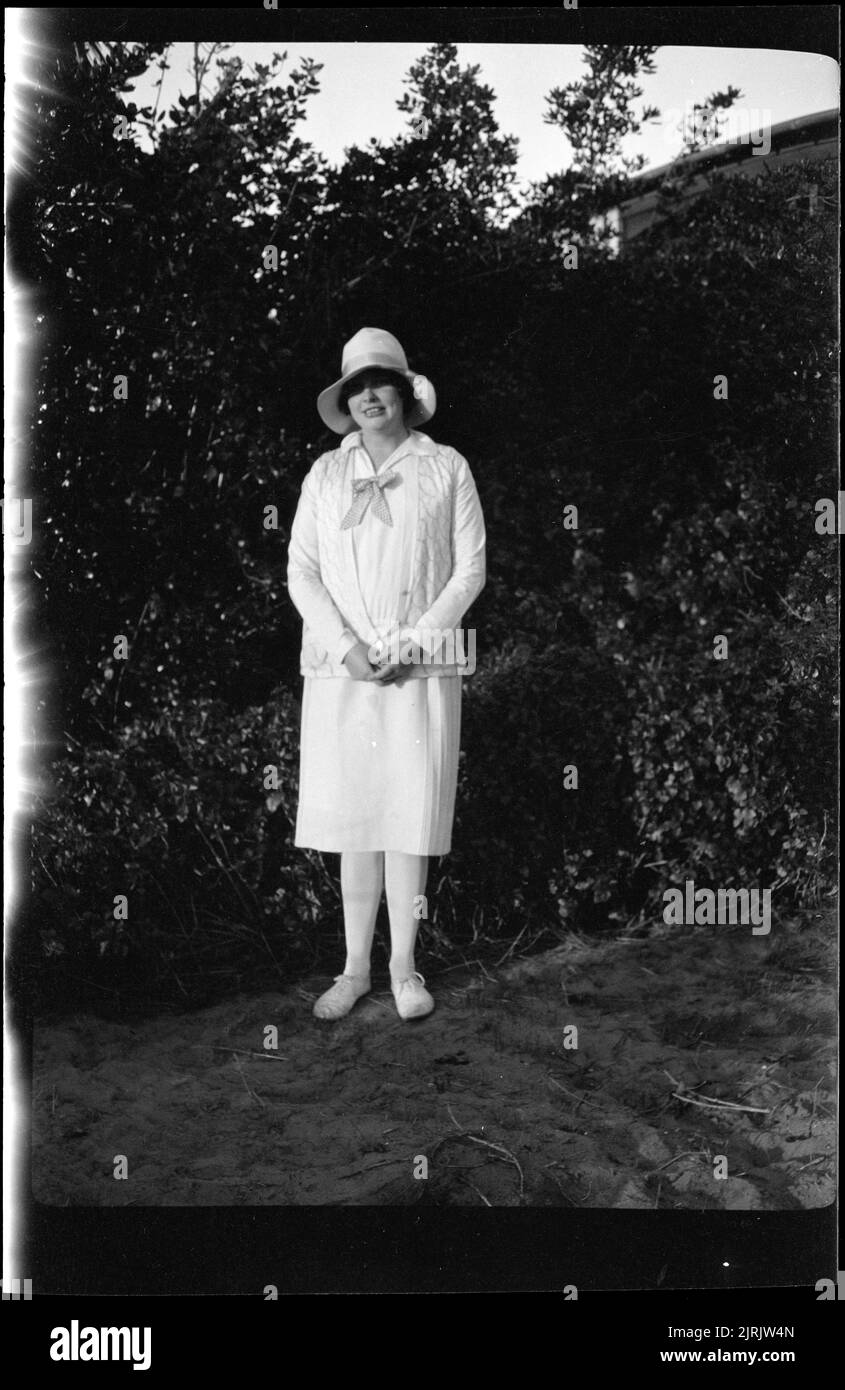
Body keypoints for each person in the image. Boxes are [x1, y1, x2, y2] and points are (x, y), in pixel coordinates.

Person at [287, 327, 486, 1021]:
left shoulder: (446, 469)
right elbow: (303, 572)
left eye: (381, 383)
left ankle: (404, 967)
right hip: (343, 669)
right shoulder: (325, 475)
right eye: (356, 387)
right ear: (346, 401)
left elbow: (468, 570)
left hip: (417, 667)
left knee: (406, 813)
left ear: (404, 392)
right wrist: (346, 648)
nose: (369, 396)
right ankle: (352, 970)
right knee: (355, 817)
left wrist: (415, 642)